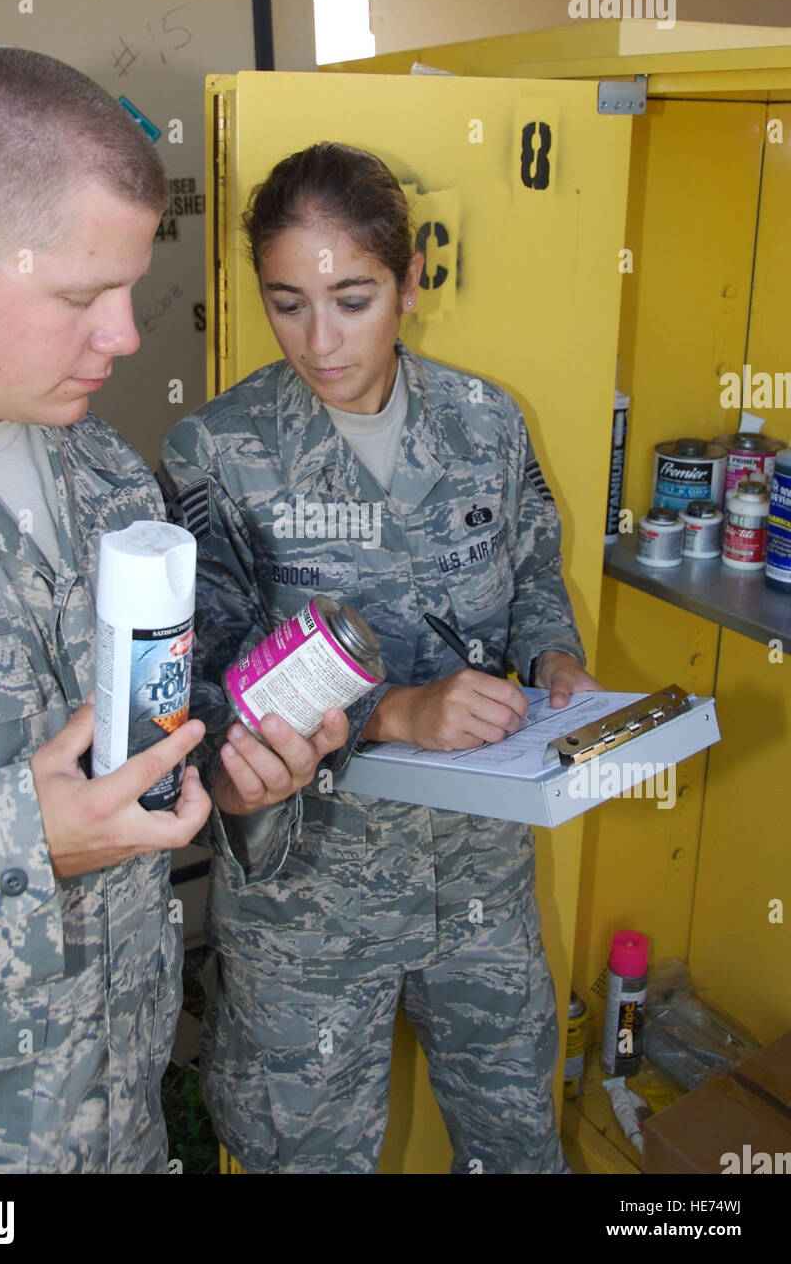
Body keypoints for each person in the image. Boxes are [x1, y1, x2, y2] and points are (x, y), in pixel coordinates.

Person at [0, 50, 344, 1175]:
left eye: (129, 288)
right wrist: (17, 841)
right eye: (82, 296)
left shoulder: (110, 478)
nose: (127, 336)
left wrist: (237, 775)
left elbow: (147, 762)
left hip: (120, 1131)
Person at [160, 141, 602, 1175]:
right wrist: (392, 710)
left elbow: (532, 559)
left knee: (513, 1147)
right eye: (286, 303)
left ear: (410, 282)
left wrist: (552, 657)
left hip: (479, 881)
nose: (319, 340)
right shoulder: (217, 451)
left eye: (352, 299)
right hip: (309, 900)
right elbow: (195, 690)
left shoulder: (485, 421)